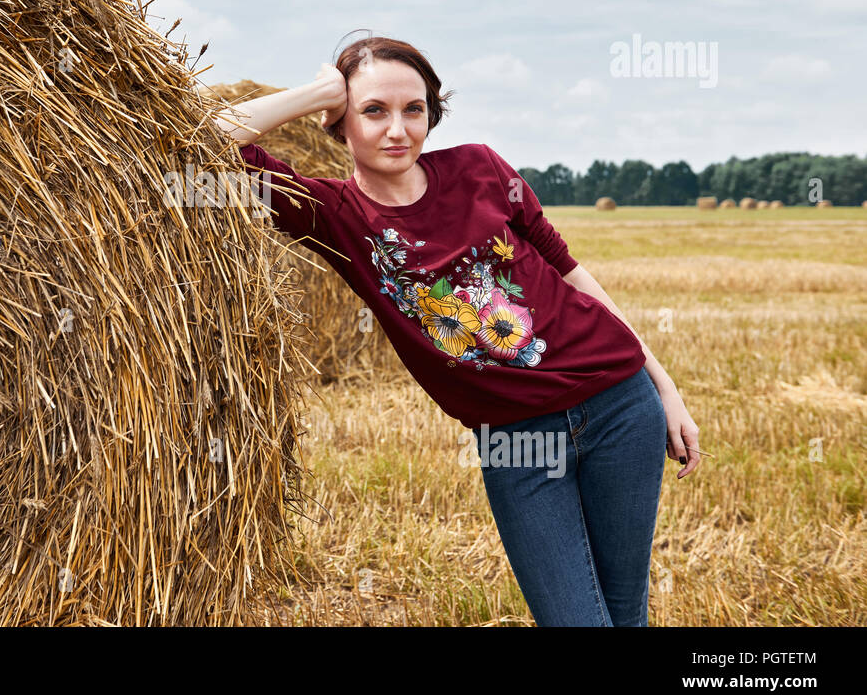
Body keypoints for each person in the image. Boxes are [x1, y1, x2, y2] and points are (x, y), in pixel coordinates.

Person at [210, 34, 702, 626]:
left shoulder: (481, 168)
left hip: (621, 406)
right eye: (373, 111)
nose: (398, 130)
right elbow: (204, 136)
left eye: (413, 109)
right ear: (340, 123)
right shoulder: (331, 214)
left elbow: (573, 276)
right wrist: (319, 91)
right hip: (517, 442)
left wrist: (663, 387)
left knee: (627, 615)